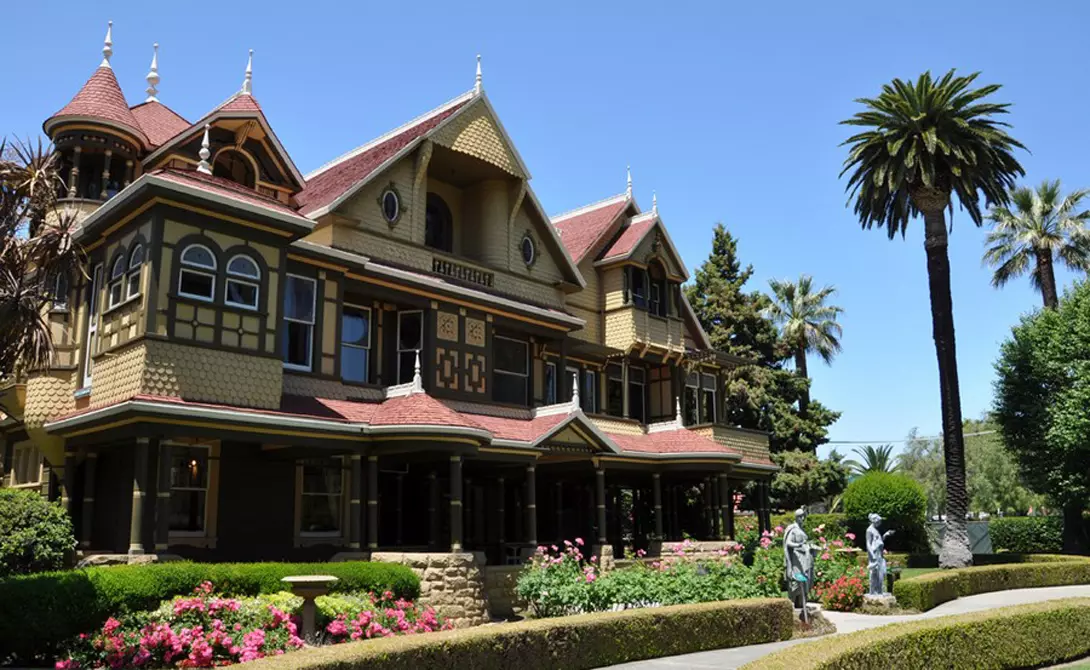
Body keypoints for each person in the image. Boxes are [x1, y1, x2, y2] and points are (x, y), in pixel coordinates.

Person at [783, 507, 814, 611]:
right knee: (796, 580)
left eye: (803, 516)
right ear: (796, 517)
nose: (803, 518)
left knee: (805, 580)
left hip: (804, 558)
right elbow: (788, 543)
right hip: (797, 558)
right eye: (800, 516)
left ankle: (802, 603)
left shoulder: (801, 529)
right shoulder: (793, 529)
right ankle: (792, 602)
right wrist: (799, 544)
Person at [866, 513, 895, 595]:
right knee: (875, 573)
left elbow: (878, 541)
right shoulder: (869, 530)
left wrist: (885, 535)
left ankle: (879, 591)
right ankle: (874, 592)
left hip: (880, 554)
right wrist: (872, 556)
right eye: (879, 521)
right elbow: (868, 544)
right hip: (875, 554)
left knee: (882, 572)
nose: (880, 523)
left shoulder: (875, 529)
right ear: (874, 521)